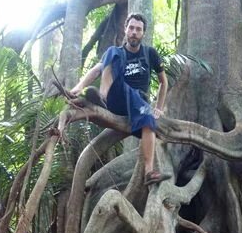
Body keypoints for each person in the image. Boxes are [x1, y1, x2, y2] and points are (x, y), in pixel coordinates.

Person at [69, 13, 170, 185]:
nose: (134, 32)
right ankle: (102, 97)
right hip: (116, 97)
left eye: (138, 29)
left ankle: (149, 172)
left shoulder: (149, 53)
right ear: (125, 29)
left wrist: (159, 107)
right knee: (112, 52)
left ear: (143, 33)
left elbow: (163, 82)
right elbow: (96, 70)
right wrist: (79, 87)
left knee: (149, 119)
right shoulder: (117, 53)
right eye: (131, 28)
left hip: (138, 103)